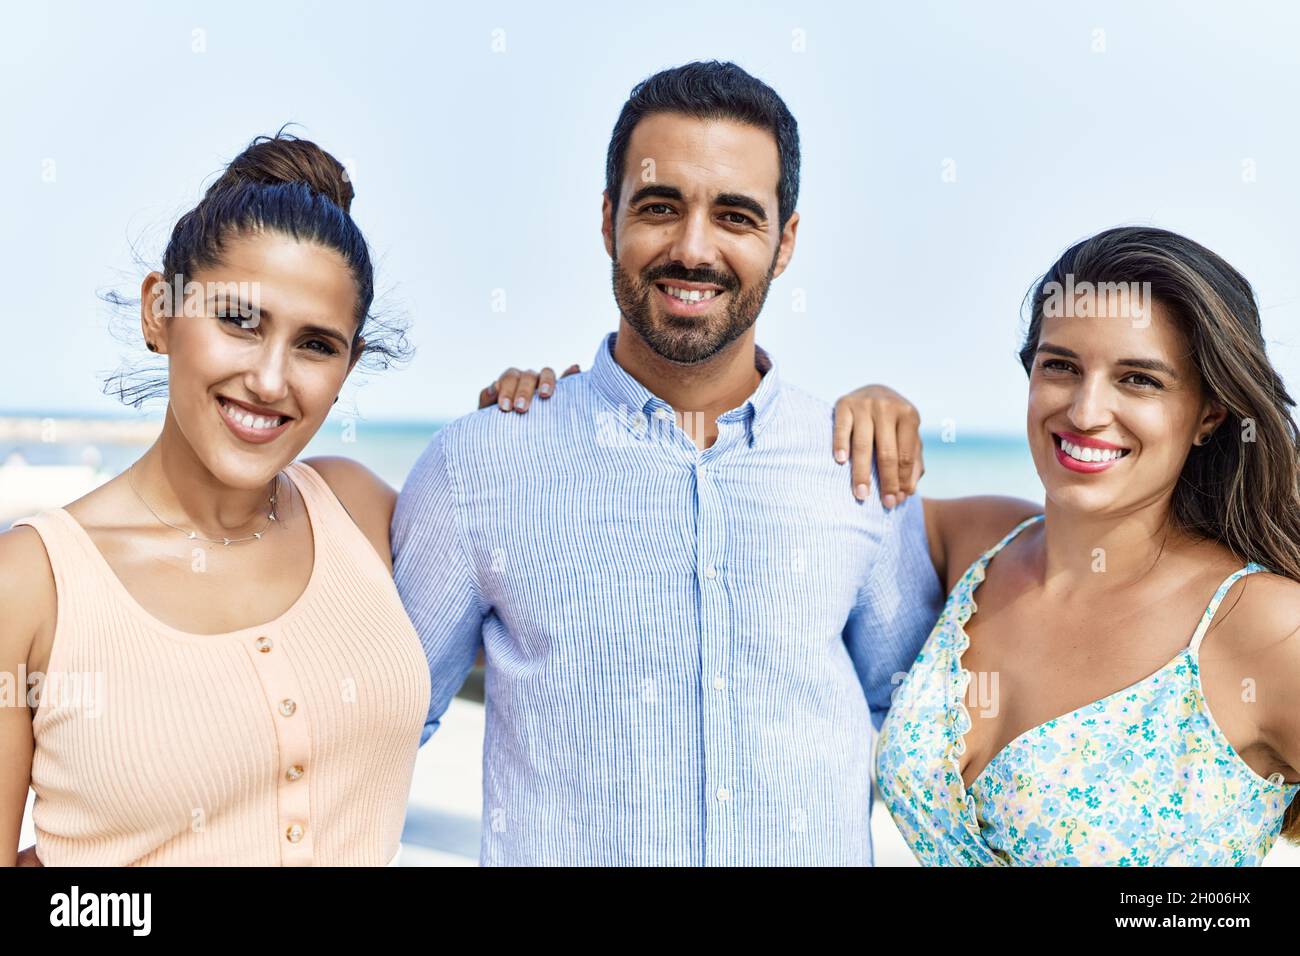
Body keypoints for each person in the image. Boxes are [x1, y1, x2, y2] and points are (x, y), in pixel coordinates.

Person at [391, 60, 943, 866]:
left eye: (735, 217)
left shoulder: (857, 467)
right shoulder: (480, 464)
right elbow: (383, 731)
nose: (693, 249)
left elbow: (920, 739)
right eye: (659, 207)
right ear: (609, 217)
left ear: (785, 242)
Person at [0, 132, 432, 866]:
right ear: (158, 313)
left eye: (316, 345)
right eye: (239, 320)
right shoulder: (33, 584)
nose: (270, 380)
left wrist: (531, 406)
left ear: (349, 363)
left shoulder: (358, 512)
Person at [873, 226, 1300, 865]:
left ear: (1210, 413)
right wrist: (870, 409)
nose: (1085, 410)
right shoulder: (975, 544)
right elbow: (825, 524)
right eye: (1062, 367)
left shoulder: (1264, 626)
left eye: (1139, 380)